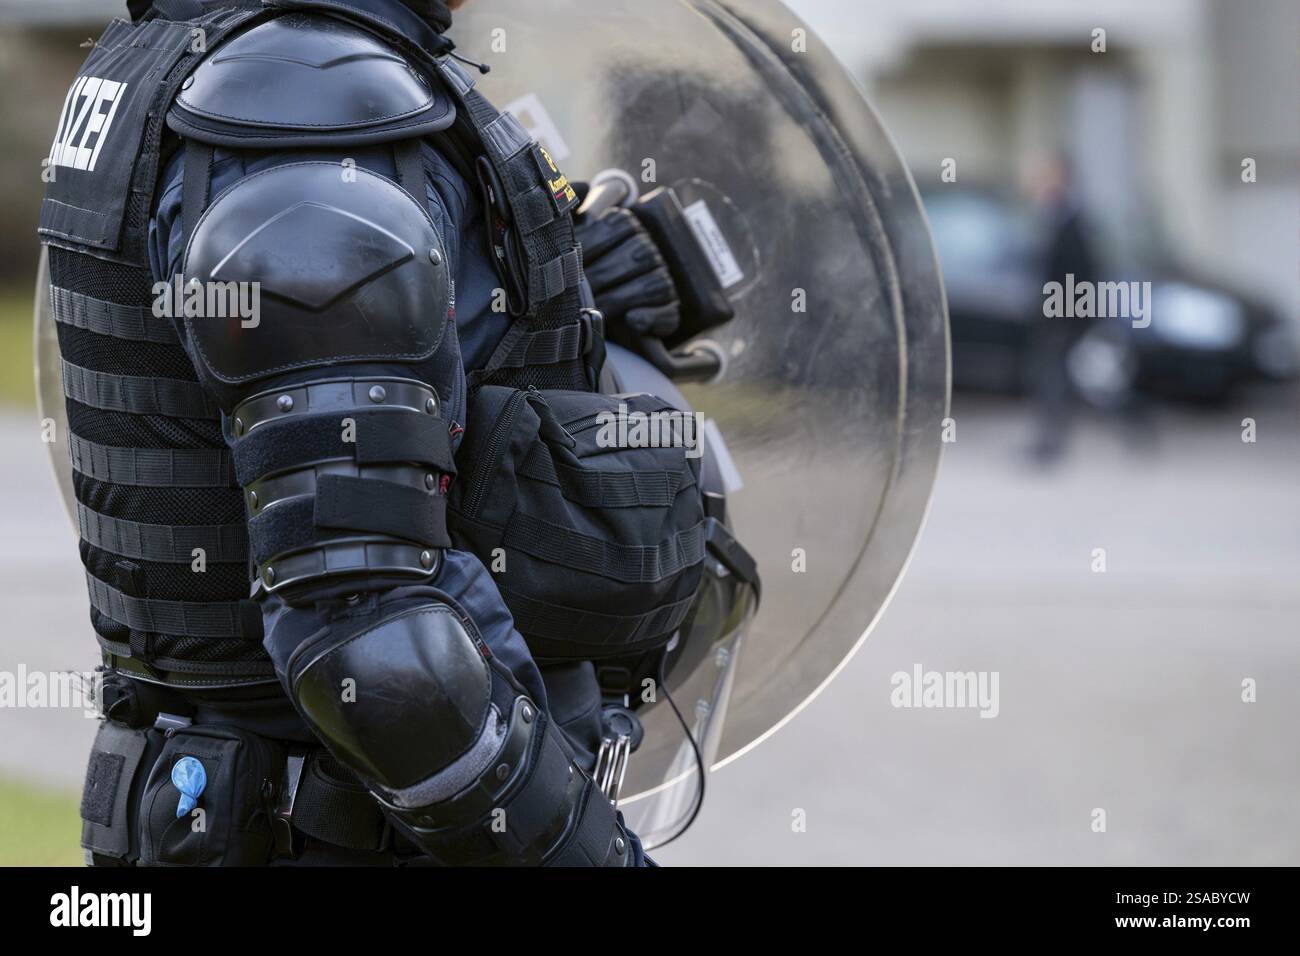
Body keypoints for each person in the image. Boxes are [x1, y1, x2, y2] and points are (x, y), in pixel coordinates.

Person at [42, 0, 702, 866]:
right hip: (342, 828)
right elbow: (369, 633)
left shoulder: (216, 60)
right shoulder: (301, 96)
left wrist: (564, 286)